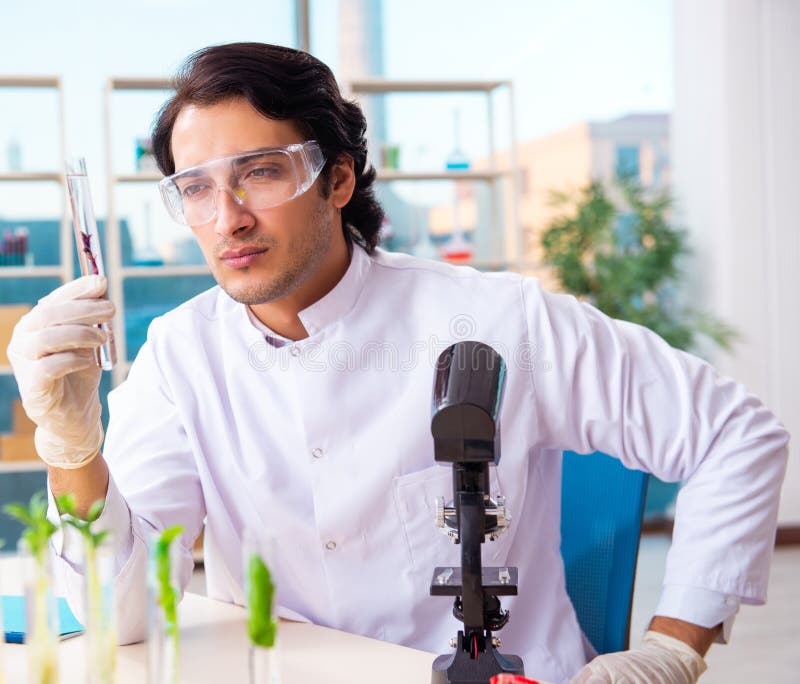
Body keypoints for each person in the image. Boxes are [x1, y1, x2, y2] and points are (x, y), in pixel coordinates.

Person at [6, 43, 788, 684]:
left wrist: (673, 649)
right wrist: (73, 448)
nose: (228, 218)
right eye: (196, 189)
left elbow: (734, 432)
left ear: (337, 178)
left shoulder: (496, 318)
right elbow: (122, 614)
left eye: (262, 171)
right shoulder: (183, 354)